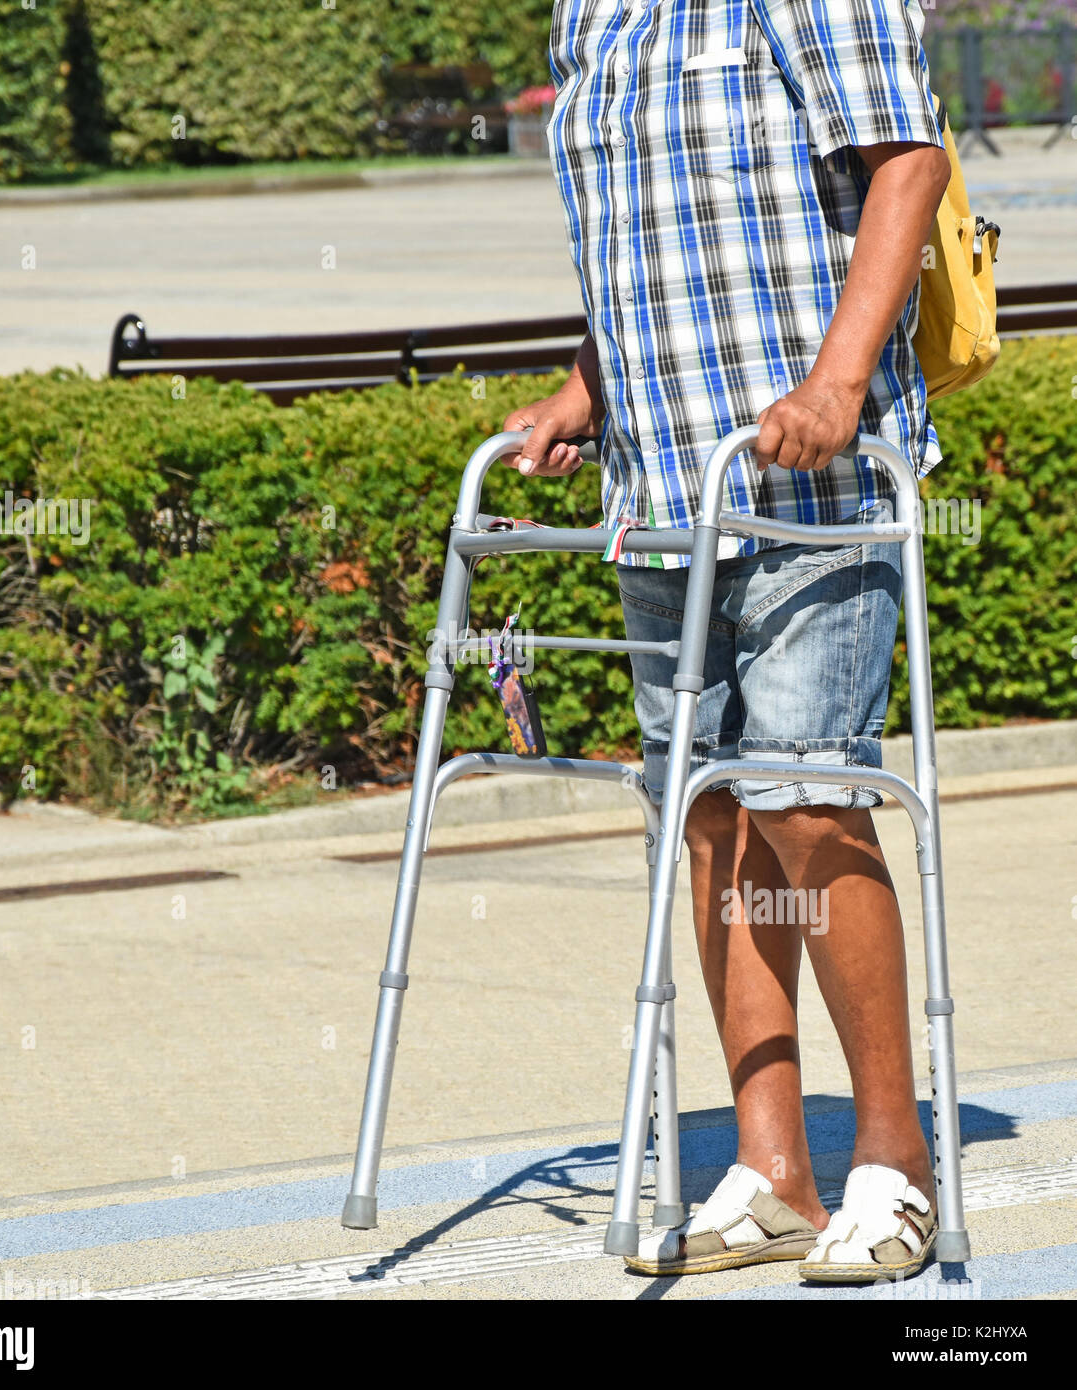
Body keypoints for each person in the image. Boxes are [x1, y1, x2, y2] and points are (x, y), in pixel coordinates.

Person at [502, 0, 952, 1282]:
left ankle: (891, 1159)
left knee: (808, 799)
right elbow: (635, 234)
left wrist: (841, 381)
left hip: (813, 471)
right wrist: (589, 387)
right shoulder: (589, 12)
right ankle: (771, 1173)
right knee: (707, 817)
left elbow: (906, 162)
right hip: (666, 490)